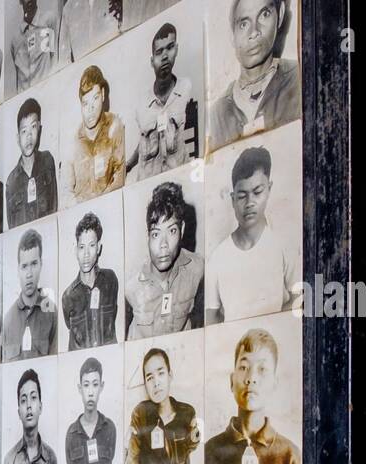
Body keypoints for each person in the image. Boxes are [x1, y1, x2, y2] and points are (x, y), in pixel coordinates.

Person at [205, 146, 299, 323]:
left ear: (269, 189)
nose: (250, 203)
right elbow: (211, 318)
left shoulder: (285, 245)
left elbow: (299, 299)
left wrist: (273, 324)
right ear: (232, 199)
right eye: (242, 196)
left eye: (257, 192)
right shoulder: (217, 258)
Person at [204, 327, 299, 464]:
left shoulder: (291, 456)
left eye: (262, 369)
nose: (251, 377)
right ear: (231, 381)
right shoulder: (209, 451)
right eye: (244, 367)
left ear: (274, 383)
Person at [209, 0, 299, 149]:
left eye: (264, 15)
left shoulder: (300, 79)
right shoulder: (216, 115)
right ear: (232, 34)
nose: (254, 32)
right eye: (243, 24)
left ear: (280, 14)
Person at [125, 180, 204, 339]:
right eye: (156, 234)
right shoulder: (131, 285)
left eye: (172, 231)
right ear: (148, 236)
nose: (163, 245)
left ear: (181, 230)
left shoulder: (198, 269)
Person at [128, 22, 198, 182]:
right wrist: (128, 165)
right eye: (159, 52)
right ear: (152, 61)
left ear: (177, 49)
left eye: (170, 47)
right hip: (148, 183)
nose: (165, 56)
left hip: (177, 181)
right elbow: (144, 139)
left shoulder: (186, 88)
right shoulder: (142, 102)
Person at [127, 347, 200, 464]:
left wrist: (194, 436)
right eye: (149, 378)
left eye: (160, 373)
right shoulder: (140, 414)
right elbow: (132, 461)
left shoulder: (187, 412)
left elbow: (191, 446)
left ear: (170, 375)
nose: (156, 383)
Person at [64, 64, 124, 203]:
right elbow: (67, 191)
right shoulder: (73, 140)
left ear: (103, 95)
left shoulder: (115, 126)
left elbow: (119, 178)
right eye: (85, 104)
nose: (90, 109)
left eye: (95, 99)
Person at [61, 211, 119, 349]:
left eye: (92, 246)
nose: (86, 254)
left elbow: (113, 317)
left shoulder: (110, 280)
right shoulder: (68, 296)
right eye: (82, 247)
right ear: (76, 250)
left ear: (98, 248)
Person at [64, 356, 117, 464]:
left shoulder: (110, 429)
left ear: (101, 386)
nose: (91, 392)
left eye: (95, 384)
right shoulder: (71, 433)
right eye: (86, 385)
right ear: (80, 389)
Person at [3, 228, 56, 360]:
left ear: (41, 264)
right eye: (24, 266)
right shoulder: (8, 321)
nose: (29, 274)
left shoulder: (51, 313)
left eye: (34, 264)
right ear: (18, 270)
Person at [6, 97, 58, 227]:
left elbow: (54, 206)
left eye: (33, 127)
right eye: (24, 131)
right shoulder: (11, 181)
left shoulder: (47, 161)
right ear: (18, 138)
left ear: (39, 129)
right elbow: (12, 226)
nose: (29, 136)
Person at [5, 367, 57, 464]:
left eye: (33, 398)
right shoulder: (9, 460)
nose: (28, 405)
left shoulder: (51, 458)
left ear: (40, 406)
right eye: (23, 400)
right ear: (19, 412)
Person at [9, 0, 59, 93]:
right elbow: (17, 81)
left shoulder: (49, 20)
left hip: (47, 91)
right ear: (20, 1)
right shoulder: (15, 40)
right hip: (26, 100)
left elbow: (55, 59)